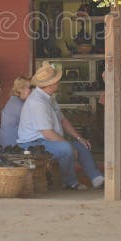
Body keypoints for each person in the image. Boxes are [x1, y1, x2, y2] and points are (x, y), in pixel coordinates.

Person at [18, 62, 104, 190]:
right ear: (49, 85)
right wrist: (69, 145)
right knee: (66, 148)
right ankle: (70, 183)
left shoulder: (49, 97)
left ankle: (97, 178)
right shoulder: (37, 102)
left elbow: (63, 120)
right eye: (57, 80)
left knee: (82, 145)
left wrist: (79, 138)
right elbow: (47, 133)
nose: (59, 82)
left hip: (46, 140)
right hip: (33, 143)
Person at [0, 77, 31, 147]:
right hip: (12, 144)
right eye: (29, 88)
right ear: (20, 89)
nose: (31, 91)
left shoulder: (13, 100)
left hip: (4, 141)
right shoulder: (19, 105)